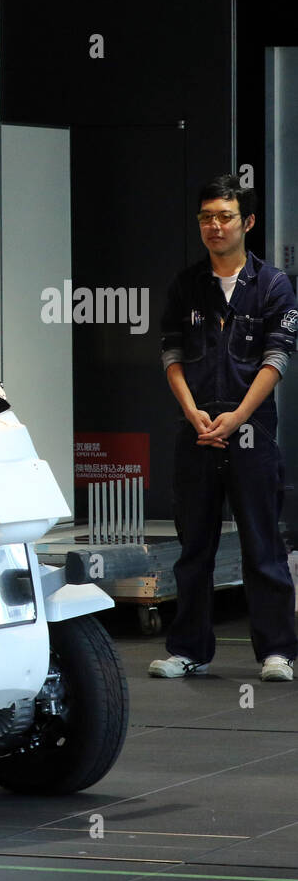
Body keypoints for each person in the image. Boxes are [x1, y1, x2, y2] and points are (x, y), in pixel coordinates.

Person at [150, 175, 298, 681]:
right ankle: (188, 649)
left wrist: (238, 417)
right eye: (206, 218)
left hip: (252, 430)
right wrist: (193, 412)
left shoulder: (273, 285)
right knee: (194, 547)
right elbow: (170, 352)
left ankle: (278, 652)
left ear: (247, 222)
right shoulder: (187, 284)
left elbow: (277, 358)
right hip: (196, 431)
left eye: (224, 217)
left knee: (263, 544)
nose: (214, 226)